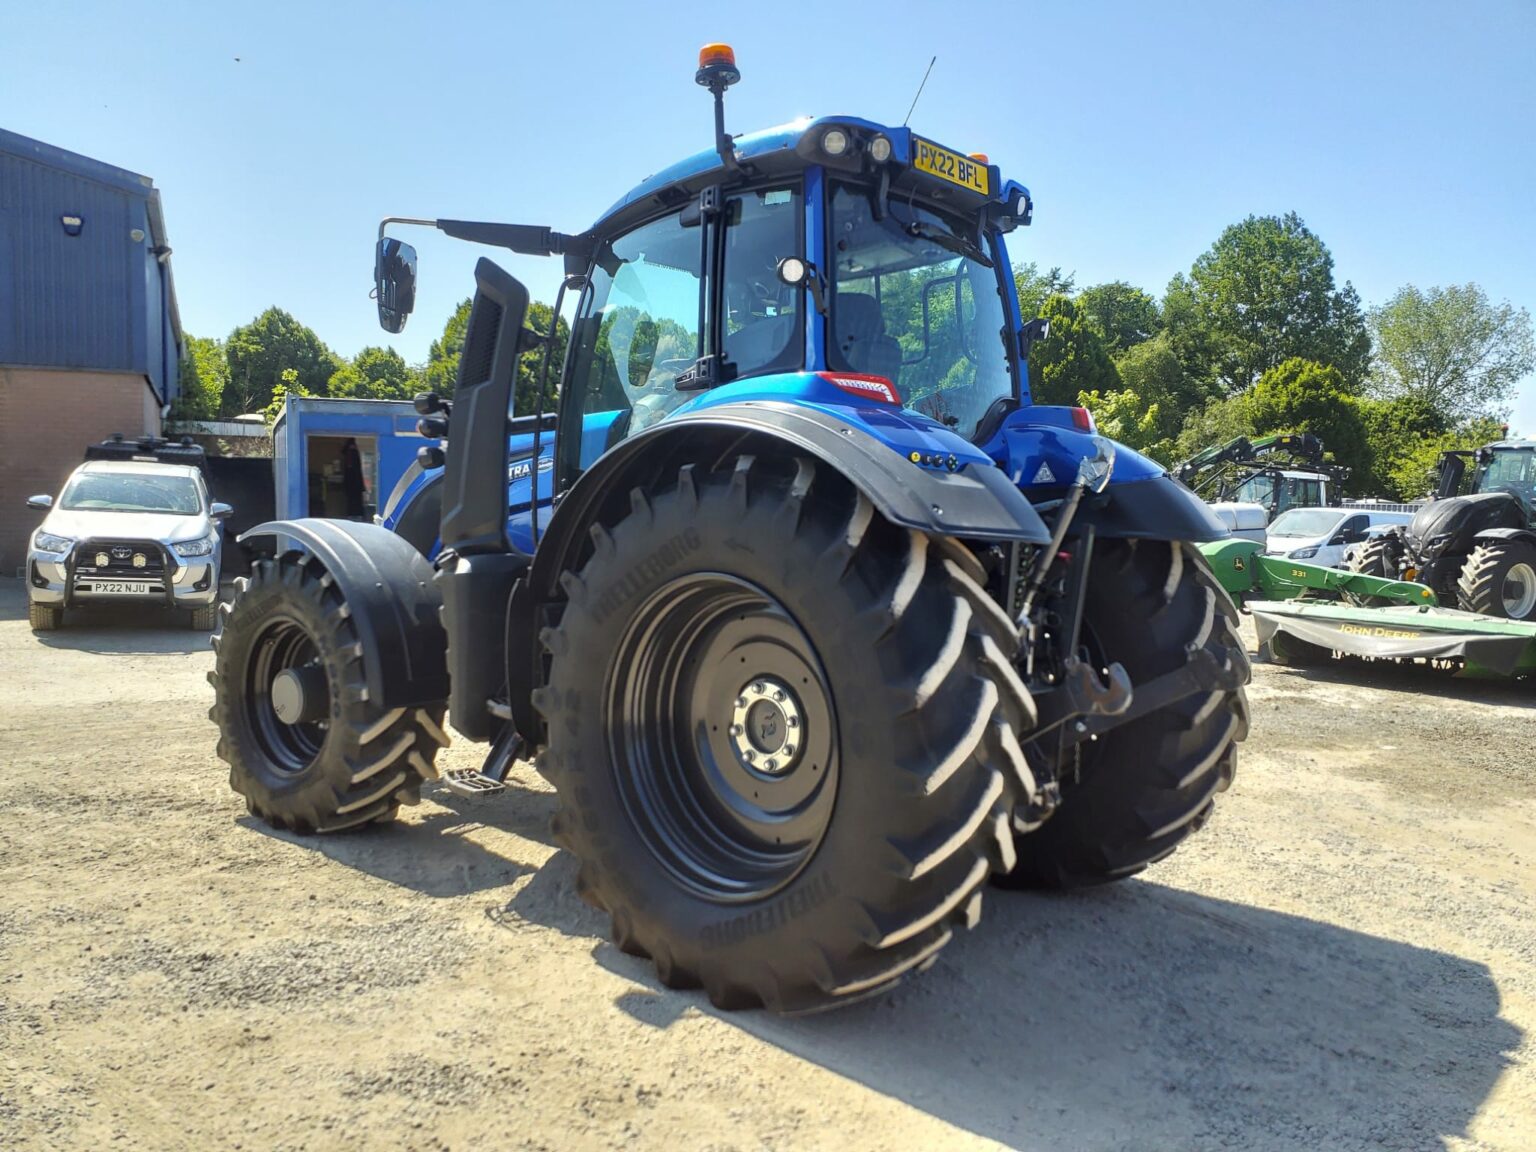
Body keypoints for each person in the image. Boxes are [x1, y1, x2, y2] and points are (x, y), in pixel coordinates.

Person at [341, 438, 367, 519]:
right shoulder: (353, 453)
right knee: (356, 501)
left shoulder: (348, 454)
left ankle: (353, 514)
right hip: (355, 484)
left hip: (351, 484)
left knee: (352, 501)